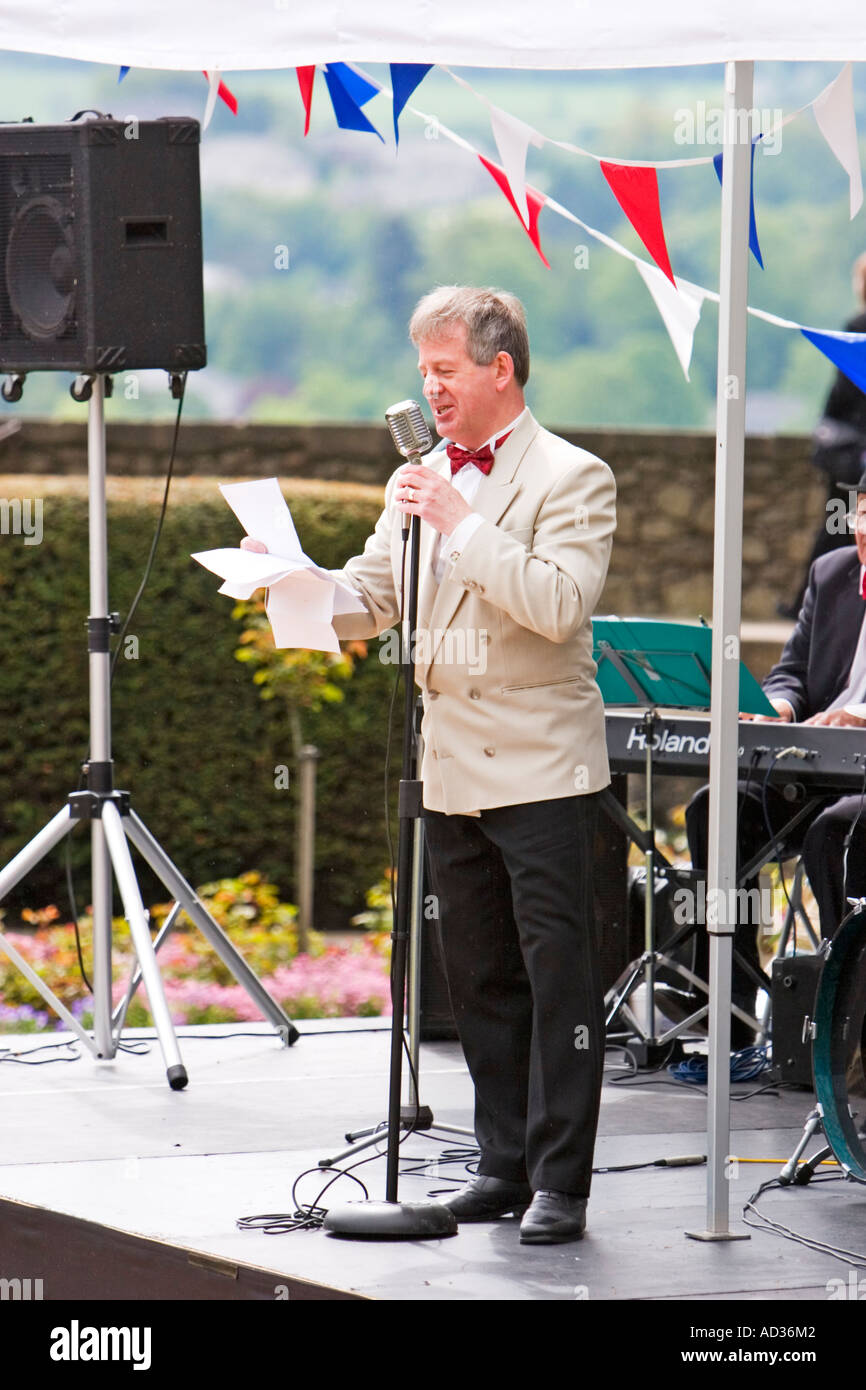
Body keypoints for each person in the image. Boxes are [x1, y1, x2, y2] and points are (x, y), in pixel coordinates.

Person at [247, 286, 616, 1242]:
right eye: (422, 371)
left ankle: (562, 1183)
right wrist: (290, 582)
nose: (429, 388)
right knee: (480, 977)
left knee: (556, 980)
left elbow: (561, 605)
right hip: (447, 766)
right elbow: (373, 599)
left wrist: (461, 521)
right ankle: (501, 1166)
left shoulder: (574, 475)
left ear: (501, 369)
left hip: (541, 768)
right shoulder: (419, 481)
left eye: (445, 370)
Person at [685, 472, 866, 1041]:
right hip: (815, 768)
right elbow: (790, 673)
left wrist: (858, 717)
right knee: (716, 808)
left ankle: (846, 1019)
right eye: (862, 513)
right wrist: (781, 710)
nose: (863, 530)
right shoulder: (833, 572)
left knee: (837, 831)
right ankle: (726, 1005)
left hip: (856, 787)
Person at [779, 252, 866, 619]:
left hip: (854, 455)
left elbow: (842, 397)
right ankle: (813, 603)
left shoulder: (859, 327)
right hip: (853, 455)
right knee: (839, 528)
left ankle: (809, 604)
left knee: (836, 528)